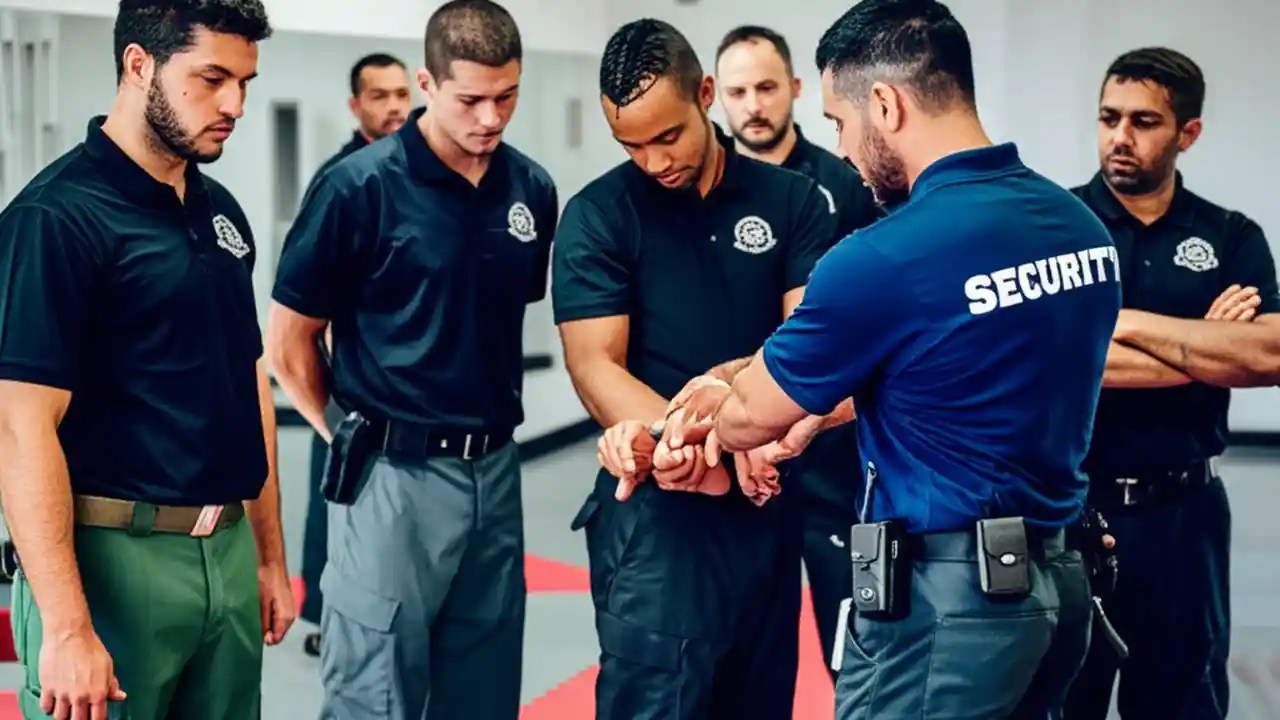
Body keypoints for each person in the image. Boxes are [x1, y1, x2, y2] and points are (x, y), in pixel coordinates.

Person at [632, 0, 1124, 716]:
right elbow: (947, 372)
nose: (842, 149)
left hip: (949, 606)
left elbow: (745, 423)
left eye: (839, 121)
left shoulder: (885, 256)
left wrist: (715, 392)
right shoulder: (1077, 230)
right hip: (1059, 582)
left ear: (886, 104)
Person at [0, 2, 293, 719]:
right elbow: (18, 427)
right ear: (139, 65)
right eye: (213, 78)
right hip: (113, 562)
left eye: (246, 82)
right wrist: (67, 628)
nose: (235, 104)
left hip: (223, 548)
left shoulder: (219, 211)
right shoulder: (56, 219)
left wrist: (266, 557)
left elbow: (246, 382)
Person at [266, 1, 557, 717]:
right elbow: (288, 340)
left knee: (485, 687)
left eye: (507, 96)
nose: (491, 117)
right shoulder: (357, 188)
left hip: (495, 469)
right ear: (427, 83)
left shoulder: (531, 189)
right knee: (377, 692)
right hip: (392, 477)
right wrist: (347, 433)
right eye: (471, 99)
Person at [552, 18, 837, 719]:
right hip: (656, 517)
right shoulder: (598, 216)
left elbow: (806, 341)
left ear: (705, 94)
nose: (654, 162)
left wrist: (737, 439)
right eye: (631, 144)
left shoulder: (793, 202)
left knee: (759, 702)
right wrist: (688, 440)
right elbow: (596, 366)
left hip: (765, 507)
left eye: (668, 136)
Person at [1063, 47, 1280, 720]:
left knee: (1184, 699)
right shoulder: (1056, 228)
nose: (1119, 137)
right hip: (1073, 510)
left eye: (1143, 121)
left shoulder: (1230, 236)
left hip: (1184, 514)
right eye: (1108, 117)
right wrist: (1203, 341)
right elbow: (1063, 361)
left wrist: (1119, 321)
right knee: (1065, 696)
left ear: (1188, 133)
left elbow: (1267, 356)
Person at [715, 23, 880, 676]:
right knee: (741, 658)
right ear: (716, 97)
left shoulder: (847, 184)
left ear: (794, 89)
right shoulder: (701, 193)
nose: (753, 104)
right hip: (731, 446)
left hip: (830, 456)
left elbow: (863, 321)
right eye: (738, 91)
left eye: (765, 87)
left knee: (854, 653)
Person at [297, 49, 412, 658]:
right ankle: (323, 613)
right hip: (350, 382)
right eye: (379, 96)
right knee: (334, 495)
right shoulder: (342, 178)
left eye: (401, 93)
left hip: (405, 389)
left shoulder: (416, 172)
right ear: (356, 105)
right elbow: (306, 302)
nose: (394, 106)